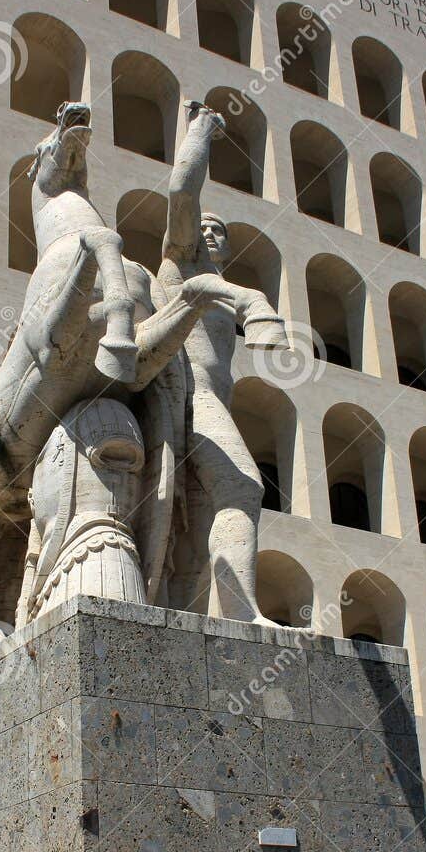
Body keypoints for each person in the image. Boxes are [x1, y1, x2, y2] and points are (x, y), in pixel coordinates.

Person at [158, 100, 289, 622]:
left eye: (221, 234)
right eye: (204, 228)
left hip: (213, 406)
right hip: (192, 398)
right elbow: (181, 191)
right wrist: (202, 133)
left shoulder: (223, 284)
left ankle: (184, 631)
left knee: (189, 539)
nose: (210, 234)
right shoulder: (182, 263)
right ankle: (241, 612)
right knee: (241, 486)